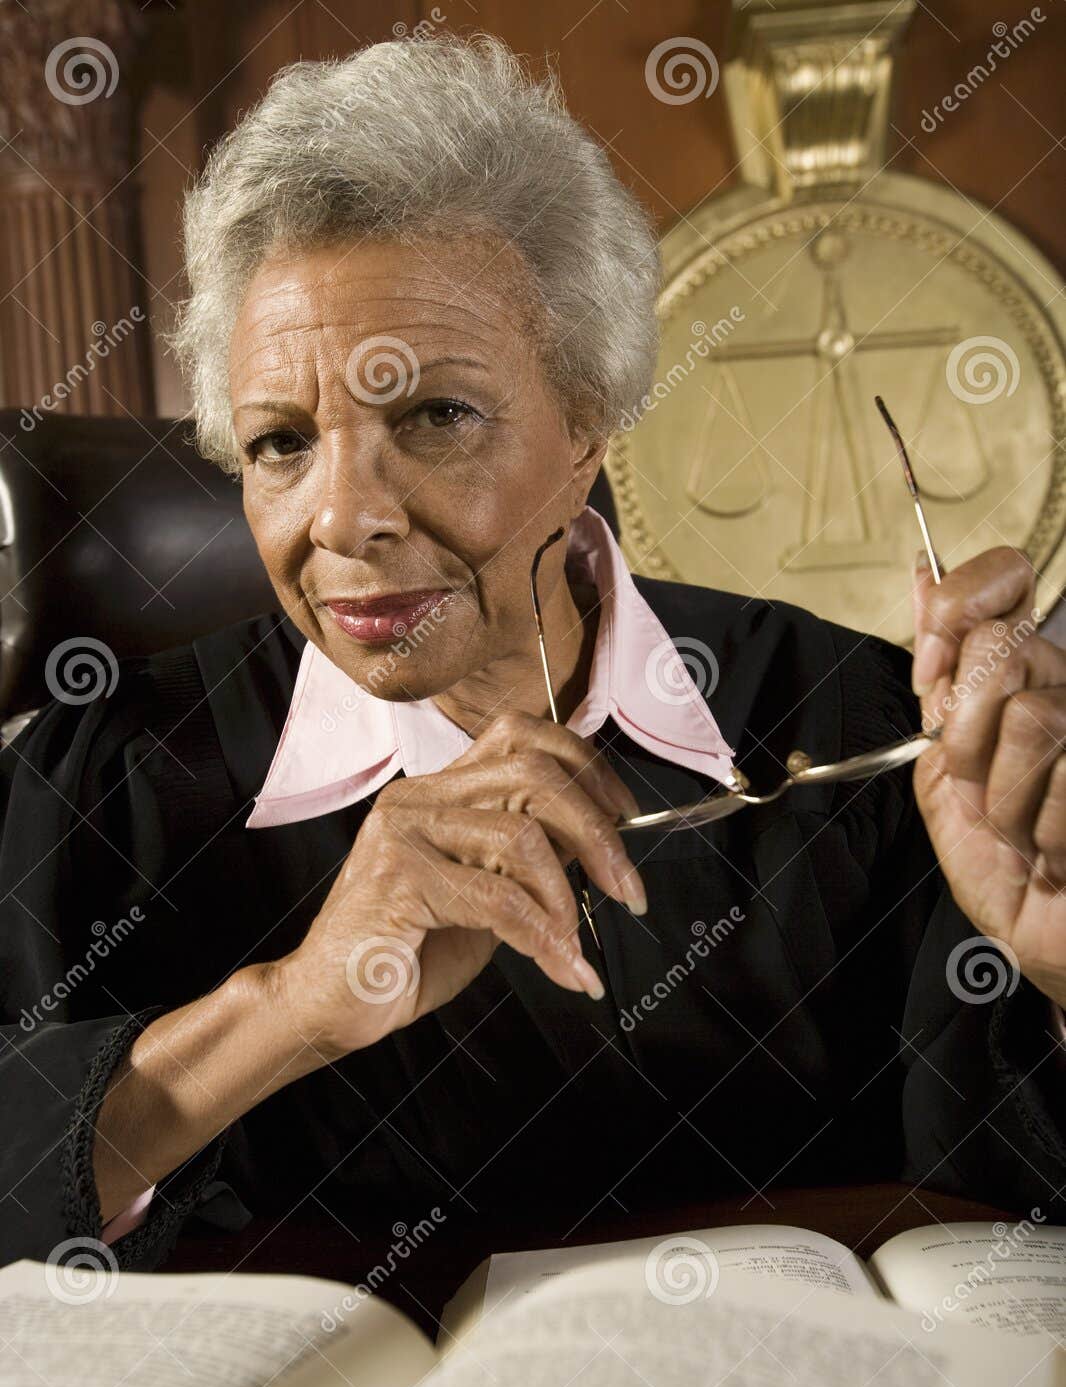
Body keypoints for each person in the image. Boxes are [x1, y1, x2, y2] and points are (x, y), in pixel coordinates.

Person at [1, 35, 1063, 1273]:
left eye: (434, 417)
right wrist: (289, 1008)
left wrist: (1056, 974)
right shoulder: (103, 781)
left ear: (588, 424)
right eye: (282, 441)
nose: (342, 518)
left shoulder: (862, 727)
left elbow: (1003, 1227)